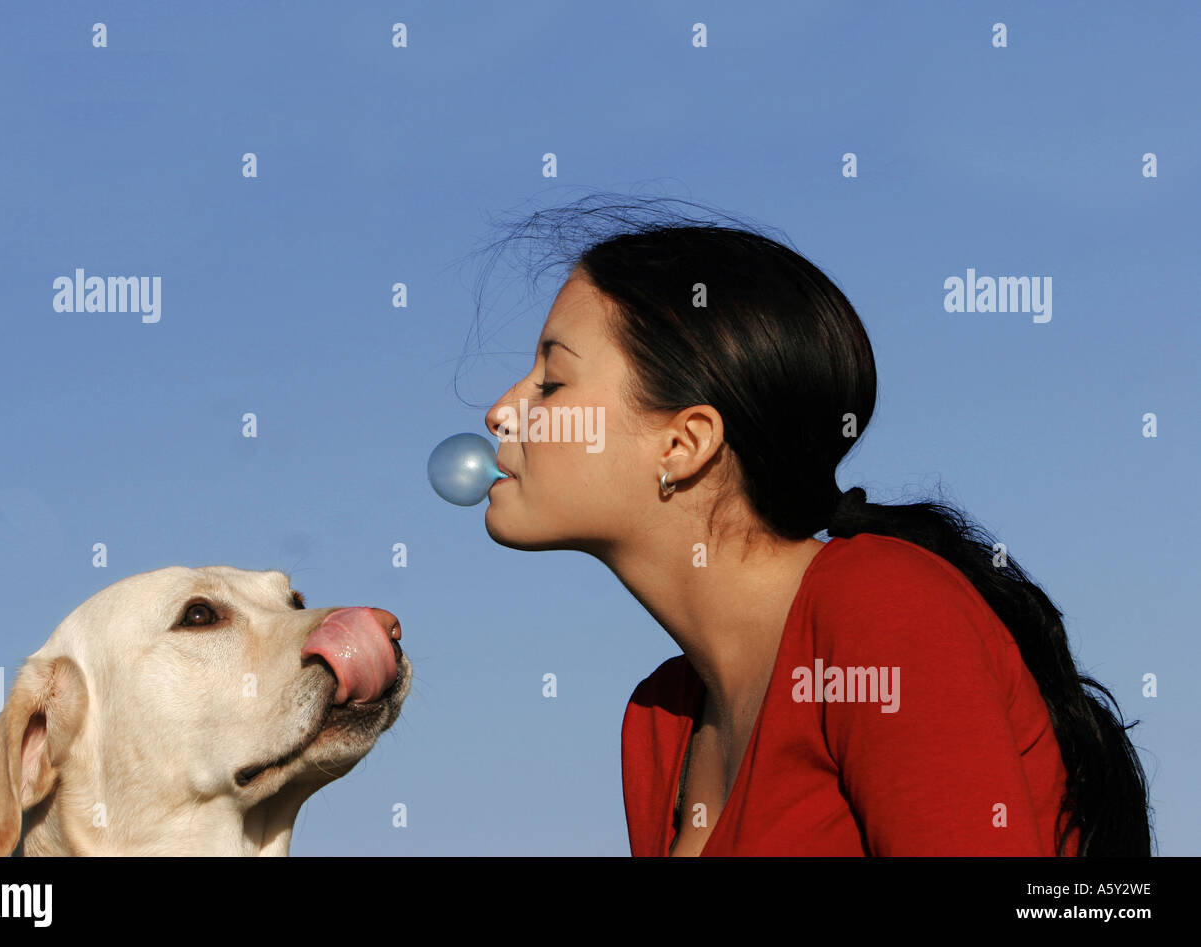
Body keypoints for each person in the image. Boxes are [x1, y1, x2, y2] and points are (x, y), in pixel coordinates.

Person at [473, 194, 1153, 856]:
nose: (502, 412)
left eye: (551, 383)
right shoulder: (661, 717)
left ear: (684, 443)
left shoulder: (881, 609)